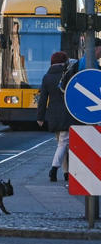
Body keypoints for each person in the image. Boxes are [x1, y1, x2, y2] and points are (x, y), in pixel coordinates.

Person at [37, 51, 76, 182]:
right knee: (63, 143)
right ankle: (53, 169)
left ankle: (66, 173)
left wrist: (40, 117)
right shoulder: (69, 74)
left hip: (53, 115)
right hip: (67, 114)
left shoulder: (46, 77)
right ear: (64, 61)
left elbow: (42, 99)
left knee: (62, 143)